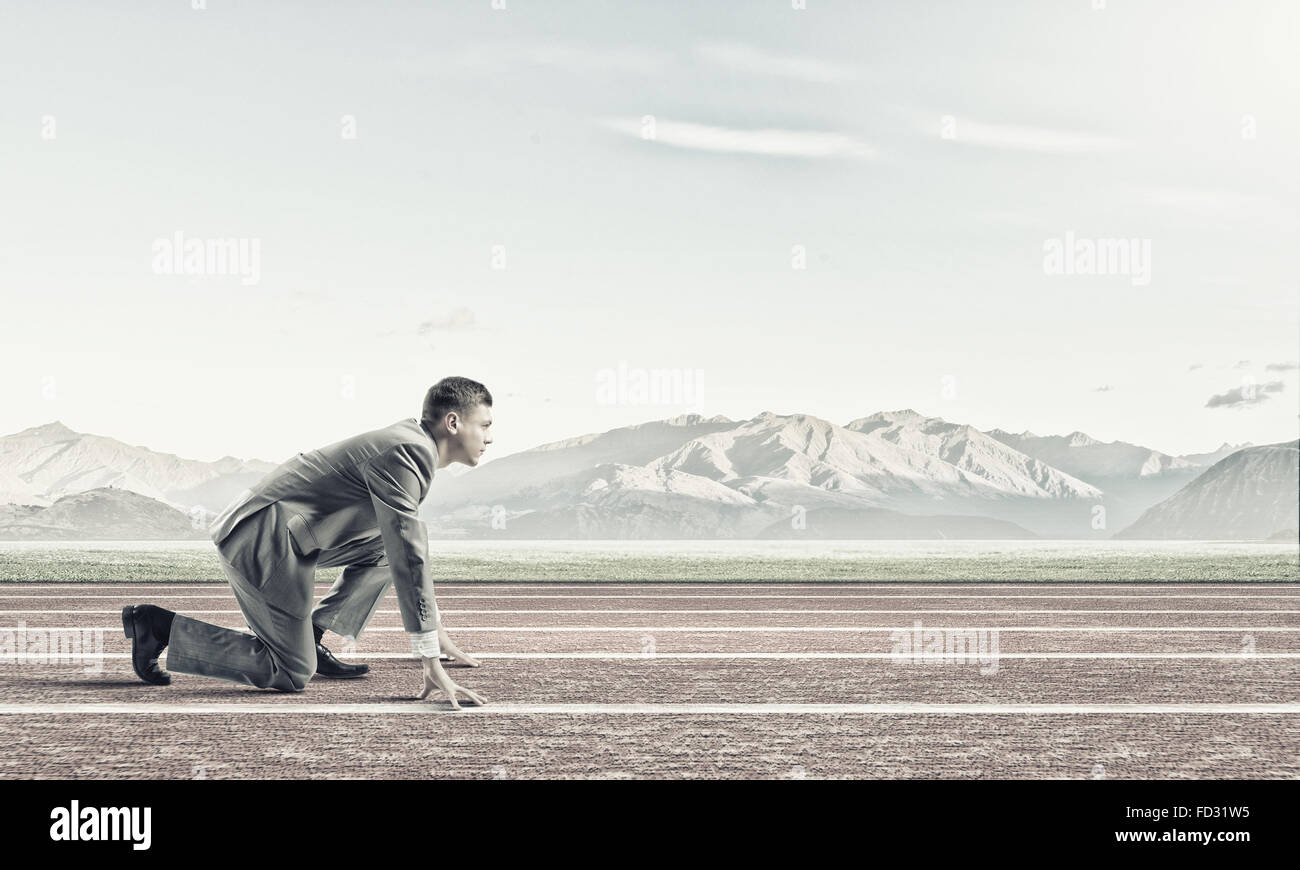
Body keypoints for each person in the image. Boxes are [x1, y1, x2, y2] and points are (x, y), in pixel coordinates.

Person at [121, 376, 493, 710]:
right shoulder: (406, 451)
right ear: (454, 422)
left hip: (292, 537)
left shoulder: (410, 445)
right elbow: (408, 552)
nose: (490, 437)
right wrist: (429, 656)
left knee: (389, 547)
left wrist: (435, 628)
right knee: (291, 670)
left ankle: (311, 635)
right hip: (261, 537)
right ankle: (159, 627)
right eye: (485, 425)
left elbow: (405, 549)